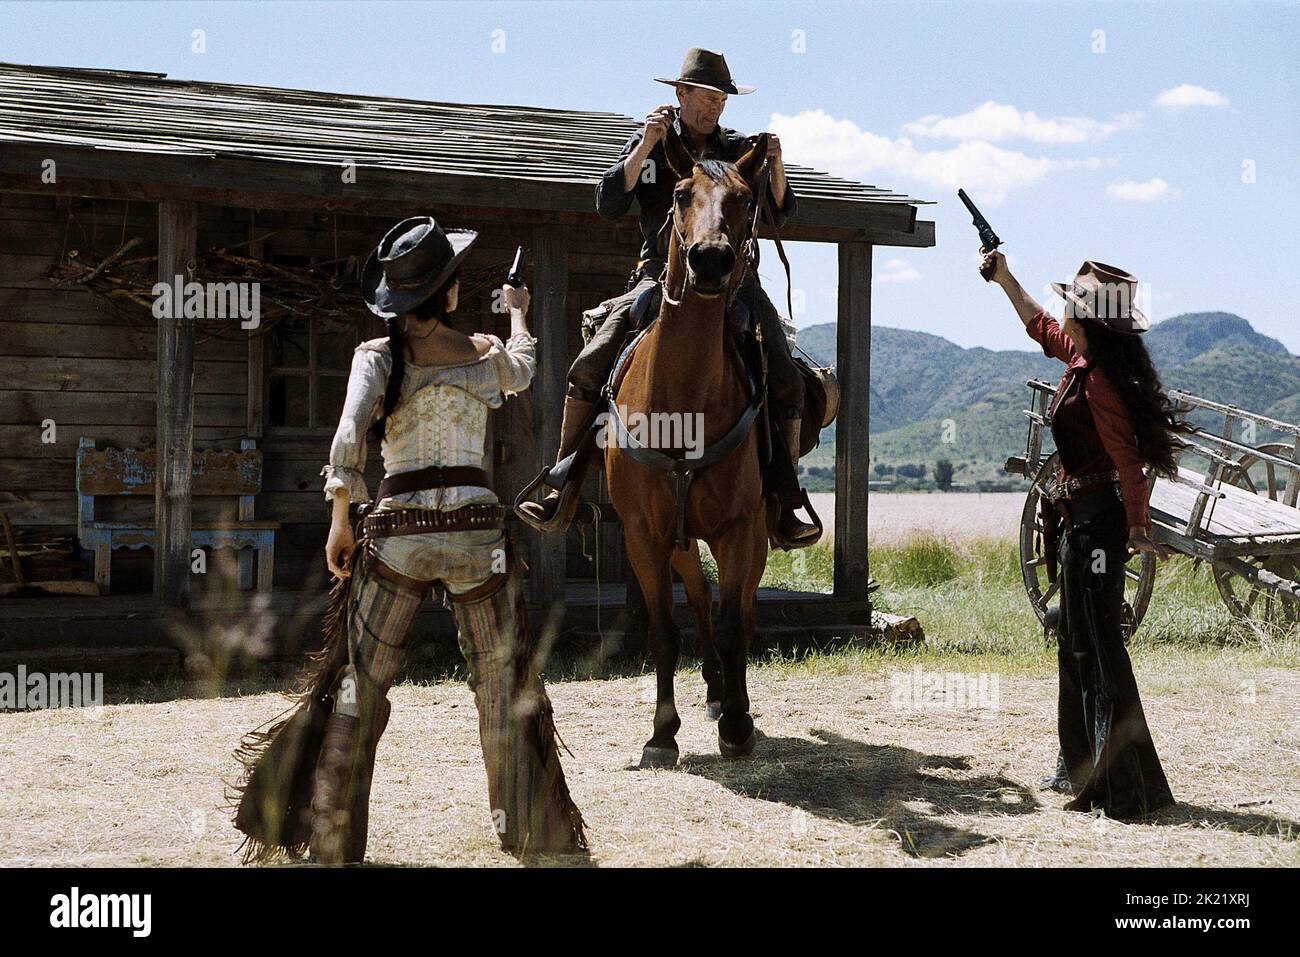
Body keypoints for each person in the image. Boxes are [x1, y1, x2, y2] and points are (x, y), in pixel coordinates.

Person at [231, 216, 586, 864]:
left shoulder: (376, 356)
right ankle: (528, 832)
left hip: (398, 535)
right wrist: (518, 314)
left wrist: (341, 519)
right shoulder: (484, 352)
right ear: (448, 293)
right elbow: (527, 368)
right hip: (480, 535)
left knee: (358, 689)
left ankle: (335, 843)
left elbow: (350, 435)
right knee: (500, 683)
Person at [514, 48, 821, 549]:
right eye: (706, 97)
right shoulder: (653, 144)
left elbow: (783, 213)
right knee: (595, 356)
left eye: (721, 99)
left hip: (734, 280)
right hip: (659, 276)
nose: (714, 107)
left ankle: (785, 496)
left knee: (783, 368)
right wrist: (646, 143)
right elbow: (609, 201)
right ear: (681, 95)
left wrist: (778, 163)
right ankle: (561, 479)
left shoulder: (741, 151)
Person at [982, 250, 1180, 819]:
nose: (1063, 311)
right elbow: (1038, 325)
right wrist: (1004, 278)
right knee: (1075, 640)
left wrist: (1137, 529)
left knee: (1099, 648)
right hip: (1080, 523)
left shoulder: (1102, 385)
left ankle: (1124, 789)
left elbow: (1129, 463)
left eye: (1072, 305)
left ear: (1088, 319)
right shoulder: (1082, 361)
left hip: (1098, 529)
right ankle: (1083, 767)